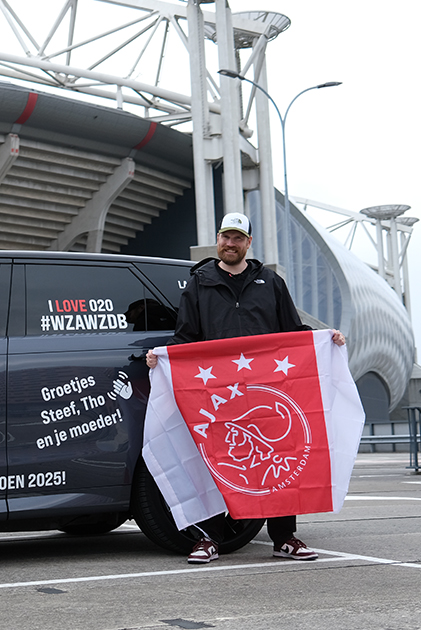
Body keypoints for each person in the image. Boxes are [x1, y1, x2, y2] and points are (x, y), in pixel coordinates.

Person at [145, 211, 346, 565]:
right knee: (214, 461)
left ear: (248, 243)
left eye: (238, 238)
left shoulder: (269, 282)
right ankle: (209, 538)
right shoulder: (200, 282)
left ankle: (284, 537)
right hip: (218, 395)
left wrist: (326, 339)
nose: (230, 243)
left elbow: (291, 330)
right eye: (225, 236)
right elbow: (186, 336)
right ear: (218, 239)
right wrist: (162, 359)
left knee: (278, 460)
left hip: (268, 392)